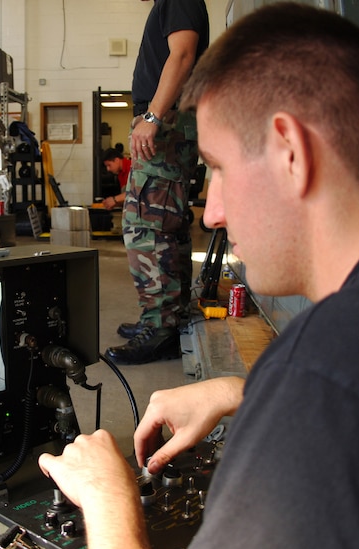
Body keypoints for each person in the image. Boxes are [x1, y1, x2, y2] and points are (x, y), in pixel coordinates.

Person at [39, 3, 359, 549]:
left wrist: (108, 502)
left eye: (218, 169)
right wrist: (245, 391)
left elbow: (347, 393)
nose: (211, 213)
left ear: (291, 152)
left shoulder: (320, 380)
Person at [104, 0, 209, 365]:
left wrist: (152, 115)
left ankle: (160, 326)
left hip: (166, 122)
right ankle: (169, 317)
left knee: (146, 225)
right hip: (170, 122)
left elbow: (182, 55)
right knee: (167, 224)